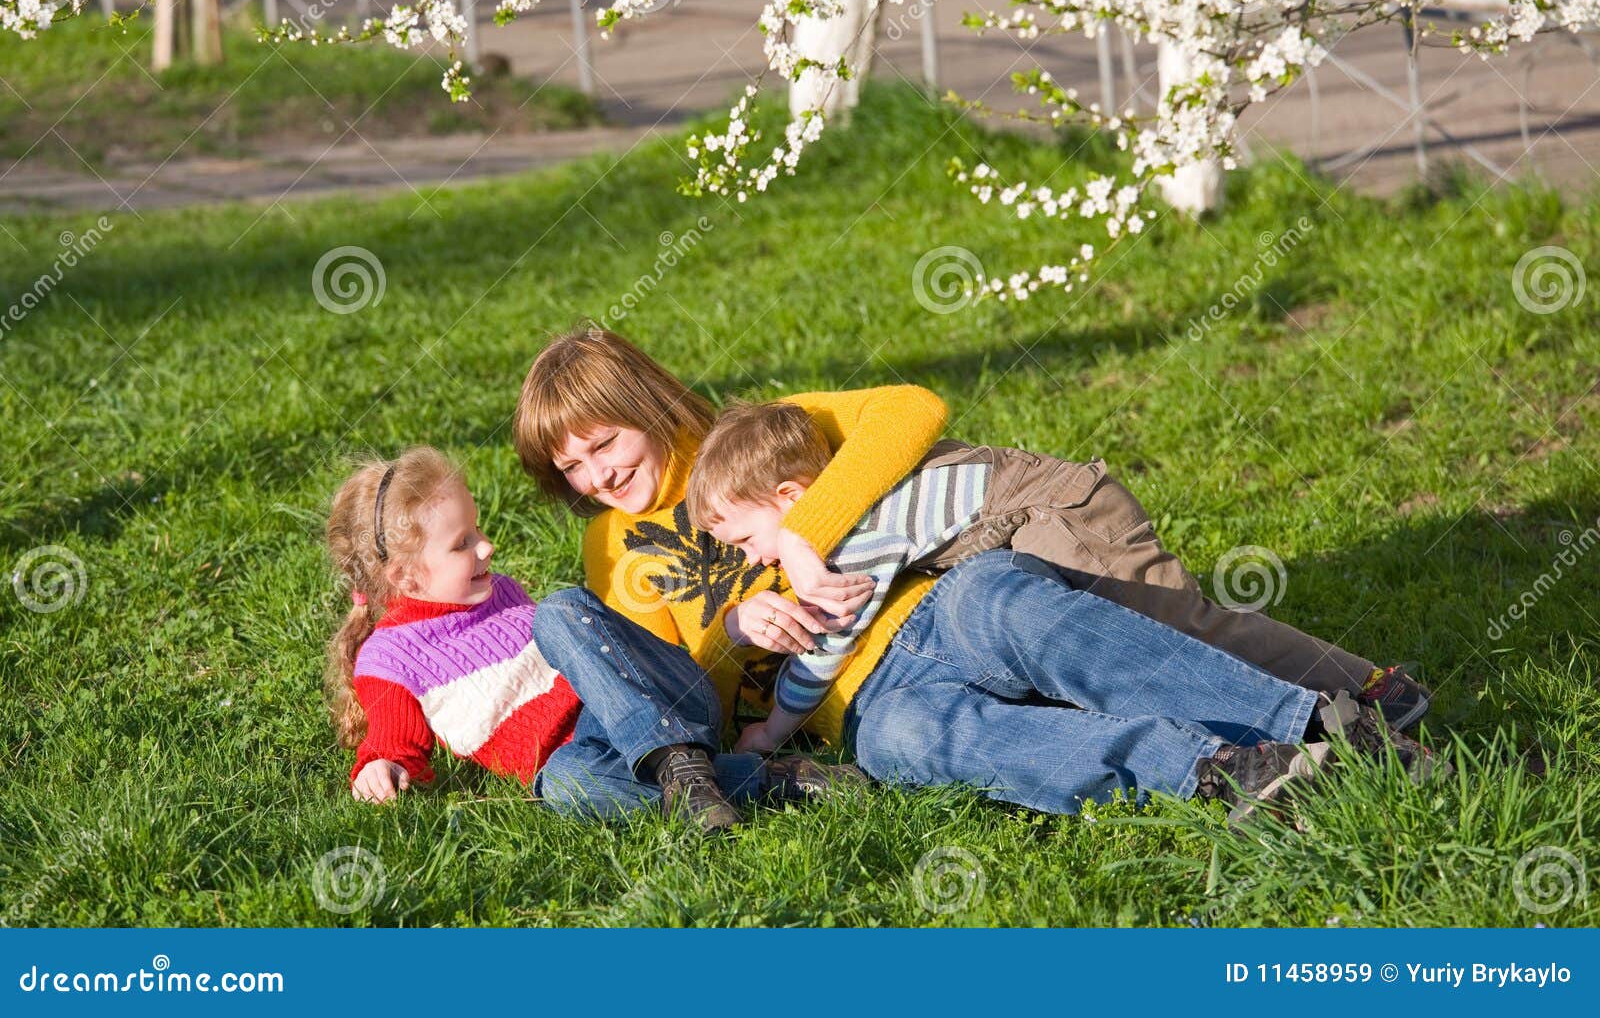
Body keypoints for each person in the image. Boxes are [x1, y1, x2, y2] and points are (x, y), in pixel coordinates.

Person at [511, 328, 1427, 821]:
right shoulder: (608, 553)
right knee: (907, 745)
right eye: (571, 473)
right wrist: (742, 632)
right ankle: (1226, 771)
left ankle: (1324, 718)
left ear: (646, 402)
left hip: (934, 610)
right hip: (856, 706)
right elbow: (682, 698)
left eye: (602, 446)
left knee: (1021, 606)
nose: (595, 479)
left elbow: (910, 410)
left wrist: (802, 539)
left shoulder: (756, 429)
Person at [684, 399, 1430, 753]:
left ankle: (1367, 690)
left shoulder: (857, 534)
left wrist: (774, 729)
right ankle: (1315, 712)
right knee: (1148, 641)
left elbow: (829, 639)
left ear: (792, 499)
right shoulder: (843, 509)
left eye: (747, 537)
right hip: (1039, 520)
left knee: (1180, 626)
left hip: (1064, 516)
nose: (752, 558)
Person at [323, 445, 858, 833]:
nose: (487, 548)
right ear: (405, 578)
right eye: (463, 543)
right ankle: (760, 779)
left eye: (478, 529)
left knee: (558, 612)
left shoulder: (502, 592)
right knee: (565, 785)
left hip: (656, 695)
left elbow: (594, 644)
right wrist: (381, 765)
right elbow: (395, 740)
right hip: (590, 752)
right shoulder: (391, 657)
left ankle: (677, 760)